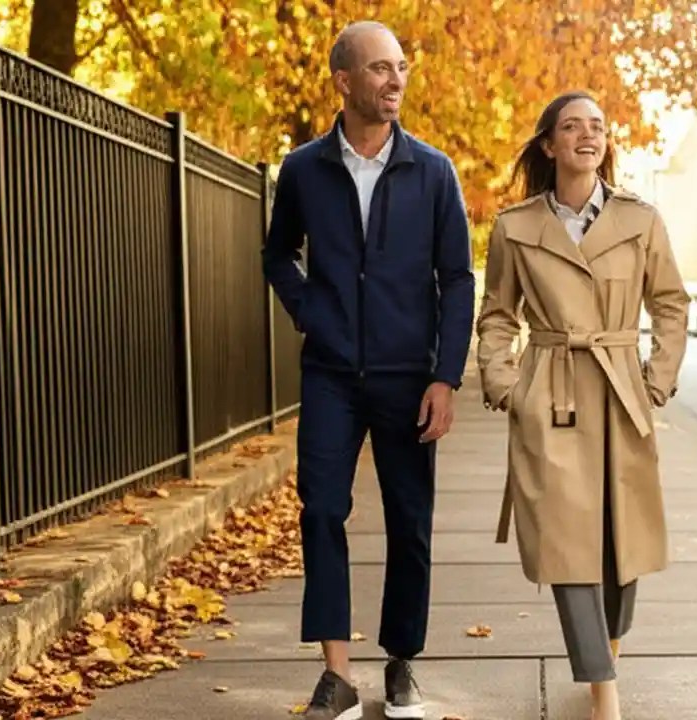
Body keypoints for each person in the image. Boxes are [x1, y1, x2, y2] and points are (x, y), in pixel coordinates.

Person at [261, 21, 475, 720]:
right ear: (344, 80)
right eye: (380, 68)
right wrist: (310, 312)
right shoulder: (303, 169)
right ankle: (337, 676)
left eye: (401, 67)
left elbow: (457, 278)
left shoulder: (433, 171)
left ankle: (402, 663)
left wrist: (445, 376)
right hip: (330, 373)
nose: (395, 80)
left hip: (409, 376)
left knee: (410, 520)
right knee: (322, 510)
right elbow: (278, 255)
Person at [476, 91, 690, 720]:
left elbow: (671, 305)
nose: (587, 135)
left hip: (622, 390)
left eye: (596, 126)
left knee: (622, 546)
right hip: (551, 391)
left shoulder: (641, 220)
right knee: (566, 544)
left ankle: (609, 647)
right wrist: (506, 385)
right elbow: (497, 315)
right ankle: (604, 691)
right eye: (571, 126)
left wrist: (656, 381)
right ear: (549, 145)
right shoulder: (516, 226)